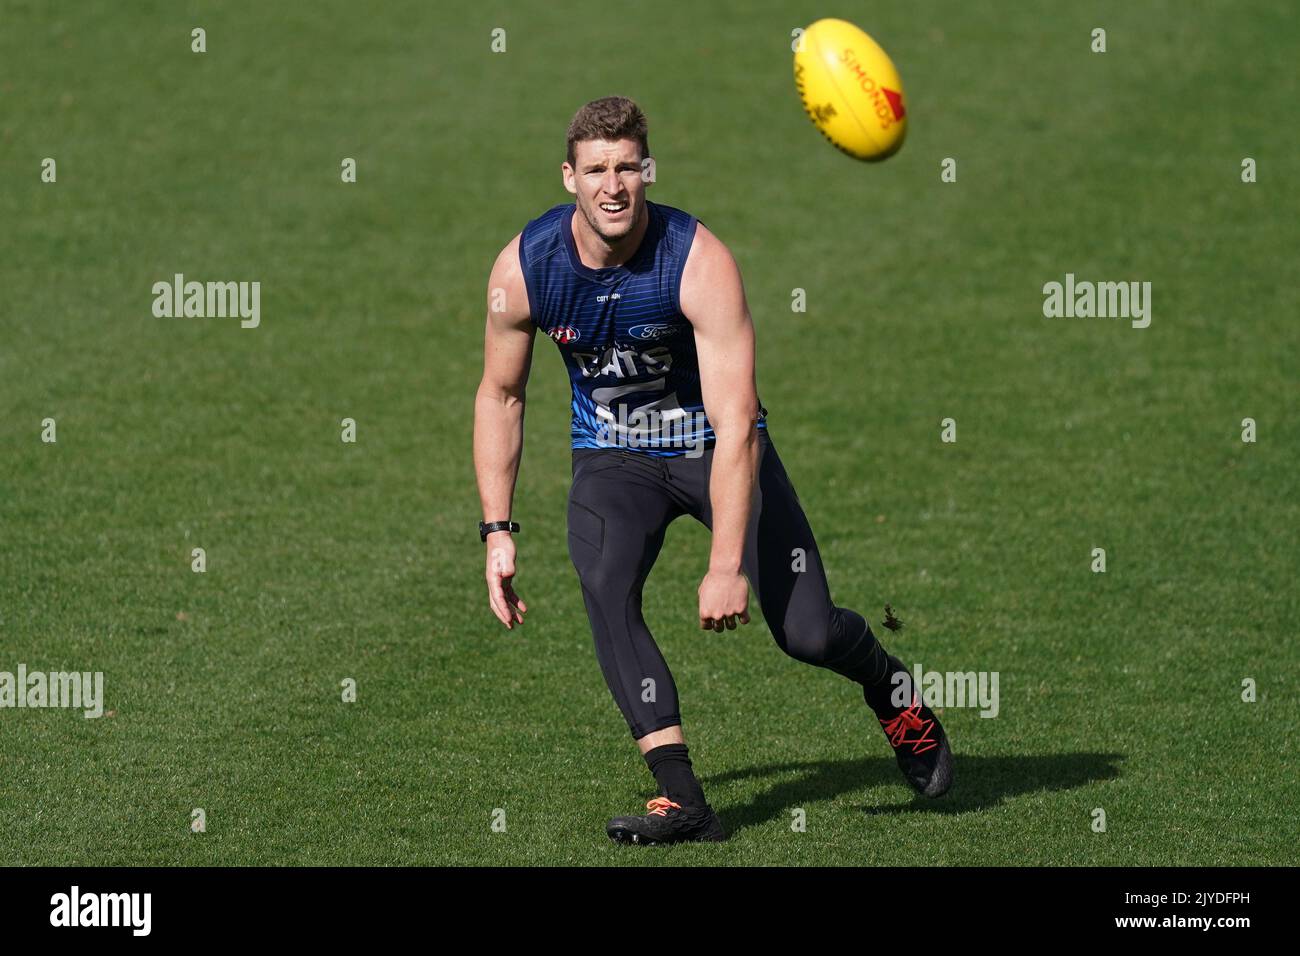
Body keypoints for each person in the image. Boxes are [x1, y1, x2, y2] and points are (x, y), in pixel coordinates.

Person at [473, 95, 952, 845]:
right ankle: (685, 802)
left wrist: (724, 562)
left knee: (808, 635)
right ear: (568, 176)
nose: (613, 186)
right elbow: (501, 394)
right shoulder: (525, 267)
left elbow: (738, 425)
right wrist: (496, 529)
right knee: (604, 583)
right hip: (615, 457)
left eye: (628, 167)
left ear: (648, 171)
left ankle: (895, 695)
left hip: (714, 448)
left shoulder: (697, 260)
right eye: (596, 169)